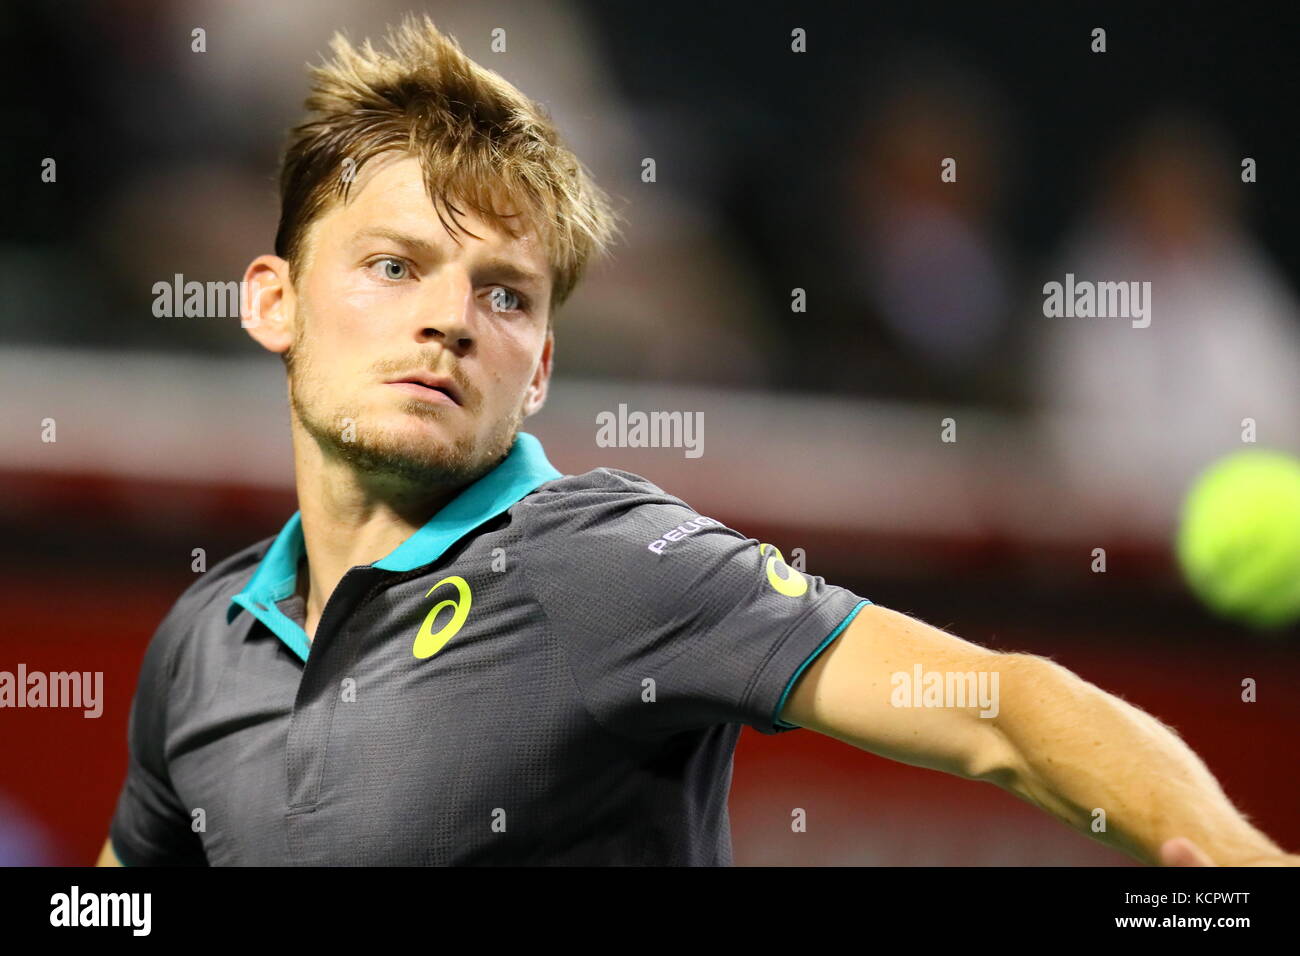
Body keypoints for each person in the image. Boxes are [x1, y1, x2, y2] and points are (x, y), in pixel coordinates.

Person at [99, 15, 1294, 867]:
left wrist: (1231, 857)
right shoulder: (204, 644)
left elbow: (1000, 707)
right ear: (271, 302)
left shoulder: (607, 565)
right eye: (393, 264)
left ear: (544, 365)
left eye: (506, 294)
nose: (450, 319)